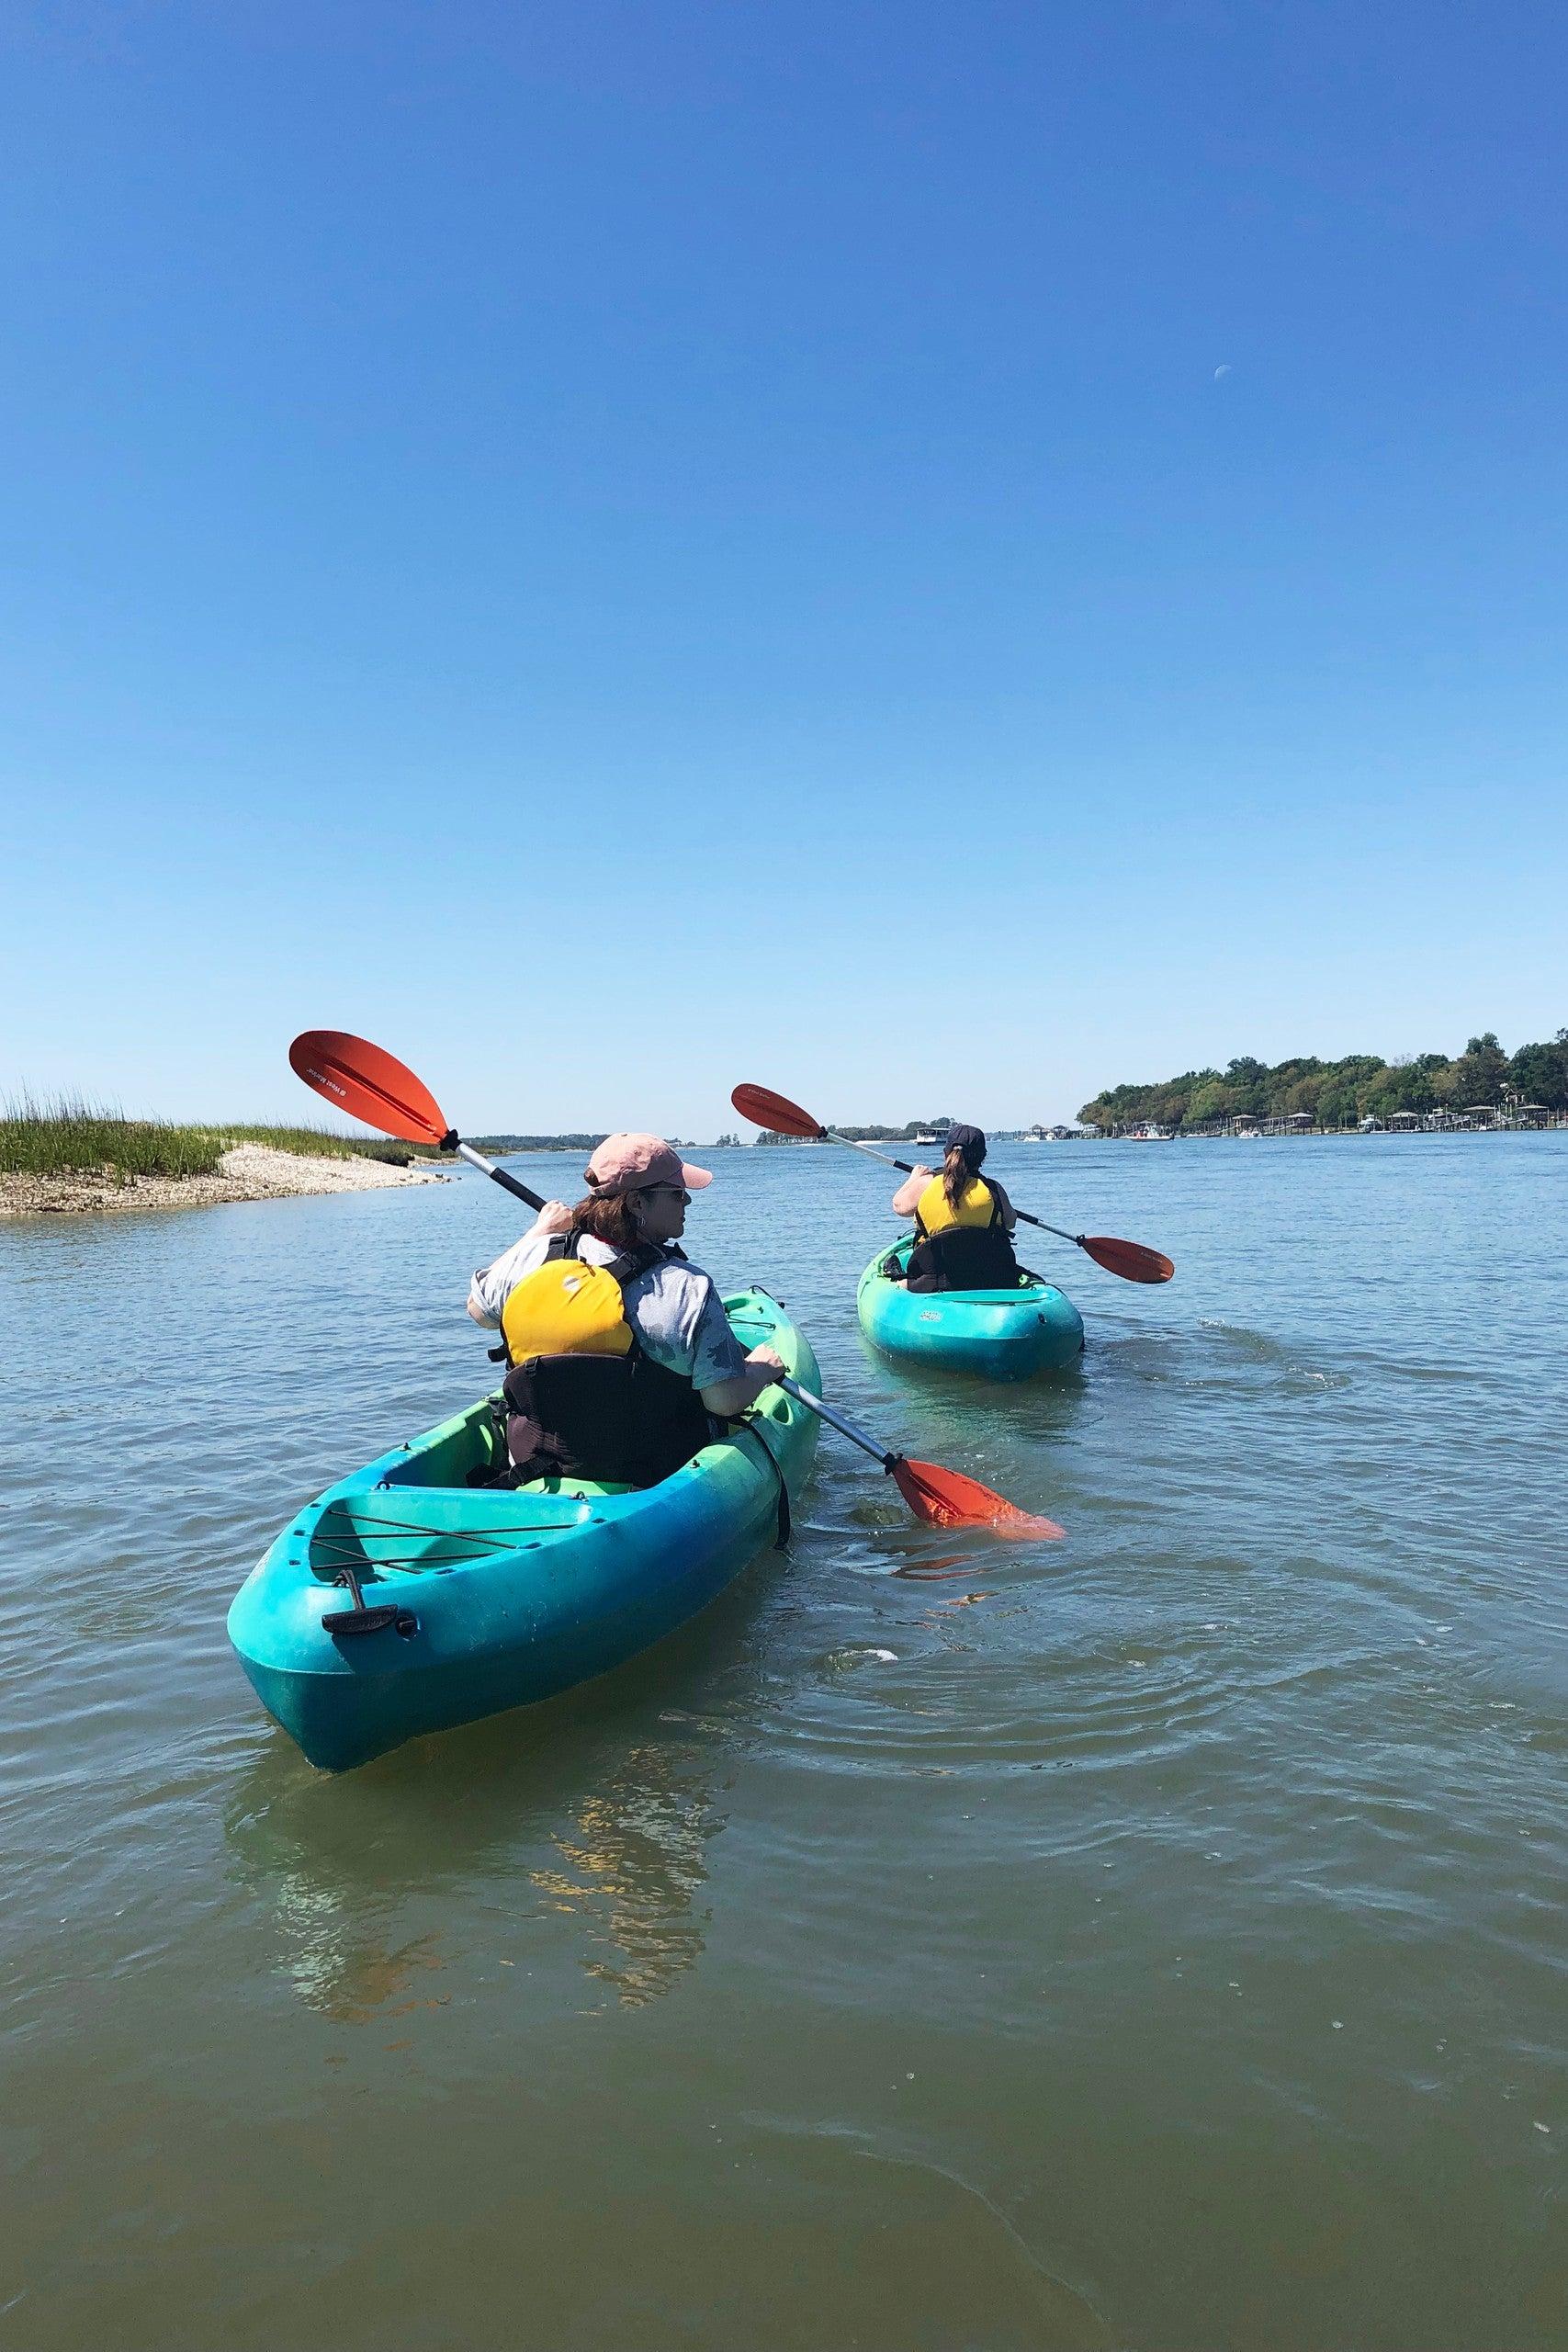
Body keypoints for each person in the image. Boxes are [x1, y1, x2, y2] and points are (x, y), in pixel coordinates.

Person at [468, 1133, 786, 1487]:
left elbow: (479, 1311)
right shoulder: (686, 1287)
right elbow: (723, 1401)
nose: (687, 1201)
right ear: (636, 1203)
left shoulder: (536, 1256)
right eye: (676, 1193)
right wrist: (760, 1371)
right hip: (654, 1476)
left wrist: (539, 1231)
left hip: (537, 1465)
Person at [888, 1123, 1021, 1293]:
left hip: (934, 1279)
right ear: (982, 1158)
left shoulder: (927, 1183)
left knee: (900, 1282)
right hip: (991, 1277)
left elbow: (899, 1206)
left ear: (946, 1153)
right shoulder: (993, 1189)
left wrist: (914, 1178)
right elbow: (1010, 1223)